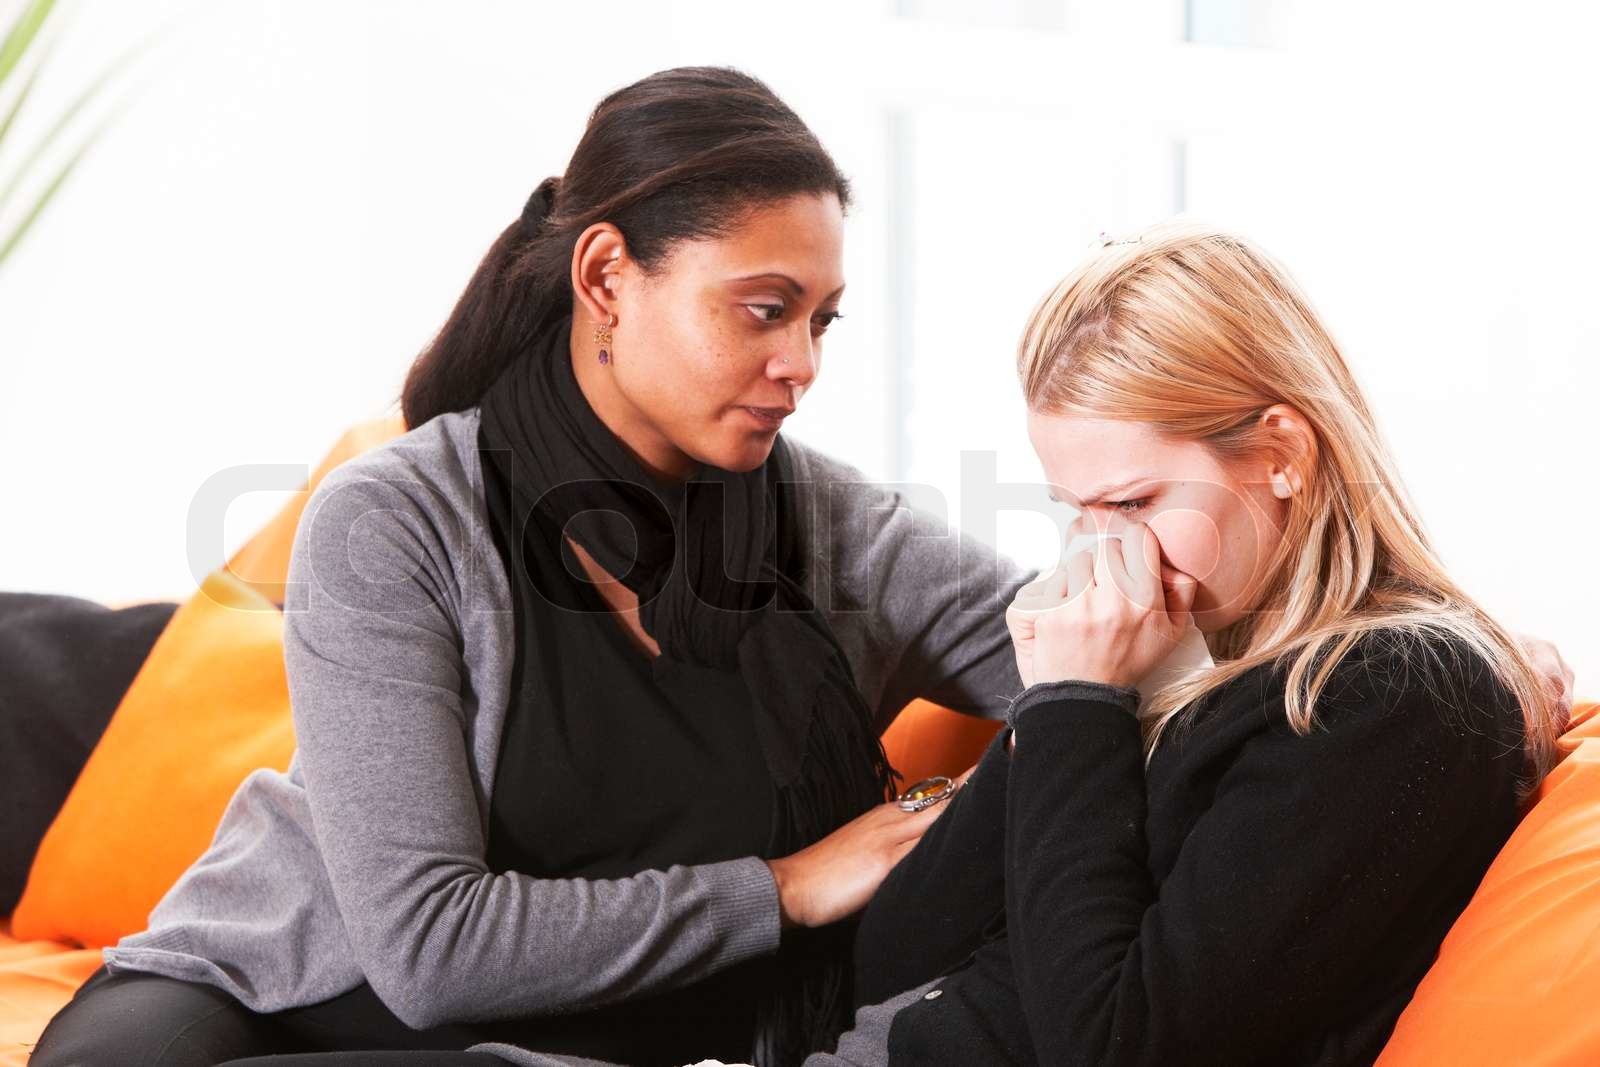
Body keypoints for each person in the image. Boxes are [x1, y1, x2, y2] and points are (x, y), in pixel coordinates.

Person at [27, 67, 1033, 1067]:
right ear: (604, 278)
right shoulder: (399, 516)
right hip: (288, 991)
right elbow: (429, 948)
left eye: (821, 319)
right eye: (764, 308)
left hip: (598, 1035)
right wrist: (790, 884)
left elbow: (1107, 659)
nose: (803, 363)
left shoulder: (832, 527)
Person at [804, 222, 1574, 1066]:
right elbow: (894, 957)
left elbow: (1114, 1047)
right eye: (1078, 510)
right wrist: (1046, 721)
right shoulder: (1192, 659)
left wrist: (1076, 711)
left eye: (1132, 504)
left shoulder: (1390, 698)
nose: (1103, 554)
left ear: (1282, 454)